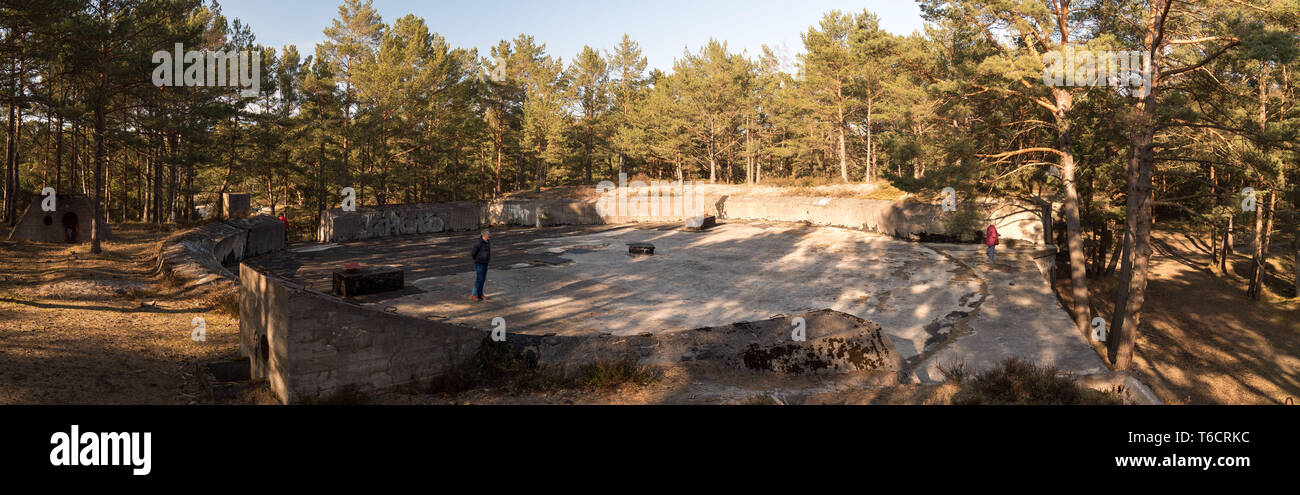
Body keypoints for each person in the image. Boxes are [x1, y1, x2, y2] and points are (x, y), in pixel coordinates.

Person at [470, 230, 491, 301]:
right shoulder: (479, 243)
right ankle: (474, 294)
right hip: (479, 264)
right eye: (488, 234)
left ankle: (480, 294)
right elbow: (473, 253)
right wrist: (477, 259)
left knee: (483, 279)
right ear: (484, 235)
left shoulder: (488, 242)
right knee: (479, 279)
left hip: (485, 263)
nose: (489, 235)